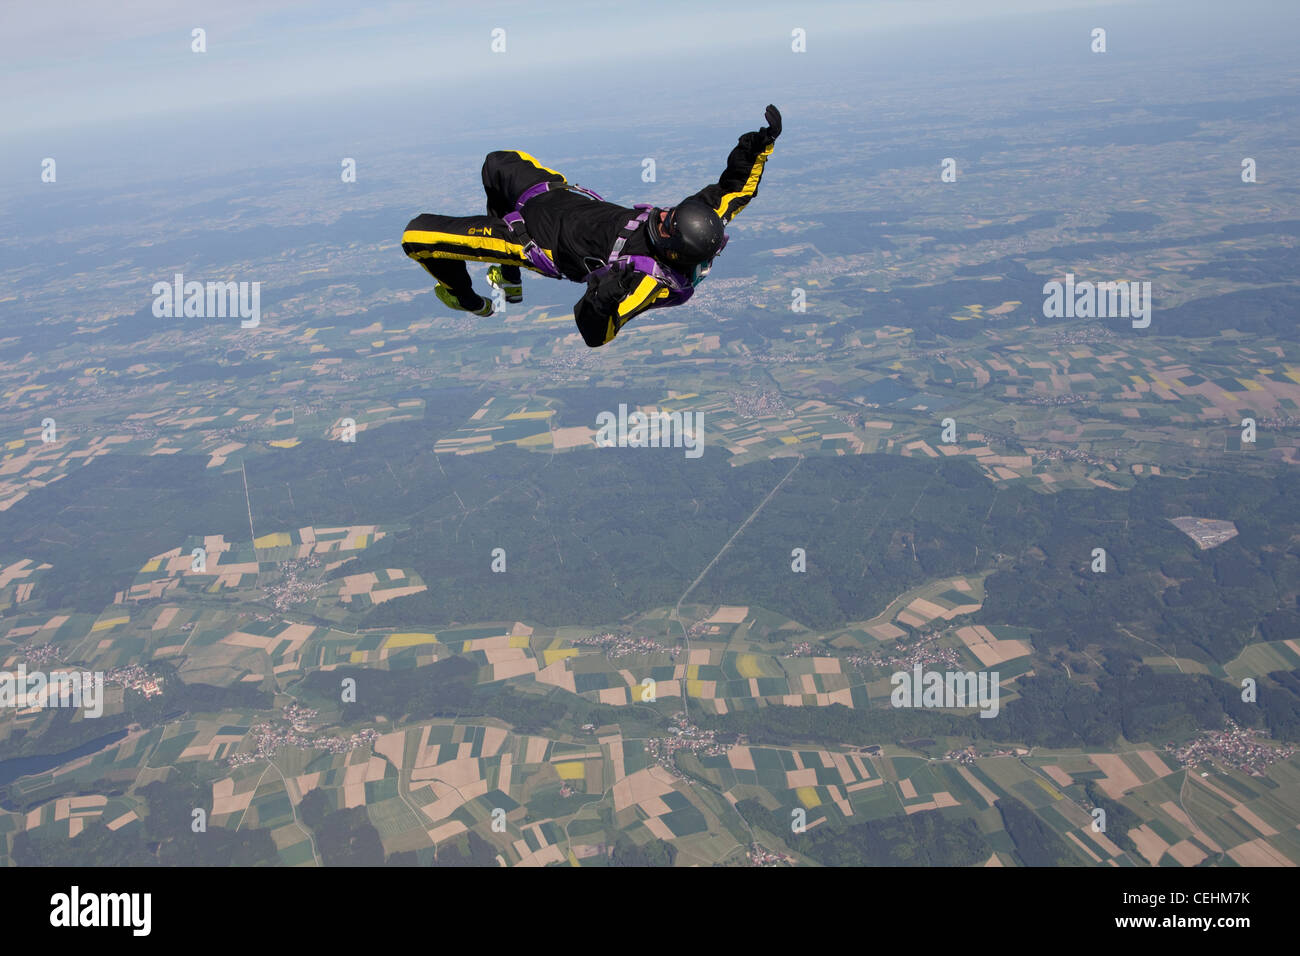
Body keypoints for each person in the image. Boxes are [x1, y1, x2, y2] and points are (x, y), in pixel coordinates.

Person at [401, 105, 782, 347]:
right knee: (497, 161)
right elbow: (735, 191)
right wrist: (759, 146)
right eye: (671, 212)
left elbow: (595, 336)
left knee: (417, 236)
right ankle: (508, 279)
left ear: (671, 249)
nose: (663, 213)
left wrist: (601, 299)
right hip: (555, 197)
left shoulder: (645, 281)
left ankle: (467, 299)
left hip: (528, 240)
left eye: (666, 222)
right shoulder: (697, 225)